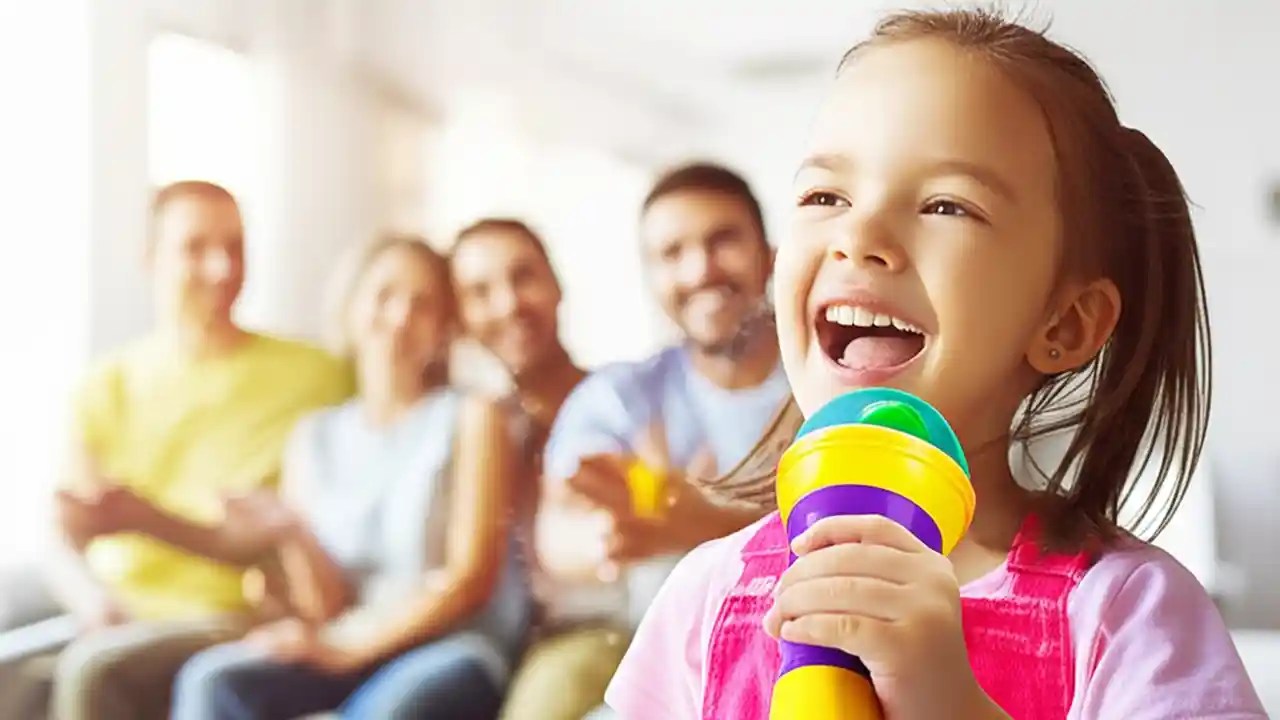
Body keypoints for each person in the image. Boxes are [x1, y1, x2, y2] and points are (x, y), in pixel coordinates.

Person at [606, 8, 1266, 720]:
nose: (858, 235)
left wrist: (952, 705)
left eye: (947, 205)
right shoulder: (705, 598)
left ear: (1065, 322)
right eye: (825, 196)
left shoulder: (1129, 614)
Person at [0, 181, 351, 720]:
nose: (222, 268)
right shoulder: (107, 383)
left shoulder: (316, 376)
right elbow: (65, 530)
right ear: (151, 259)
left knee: (95, 670)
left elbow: (304, 532)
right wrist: (94, 601)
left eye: (235, 247)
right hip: (123, 605)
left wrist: (145, 518)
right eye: (196, 248)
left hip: (231, 614)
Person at [171, 235, 530, 719]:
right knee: (212, 681)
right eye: (384, 296)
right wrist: (290, 533)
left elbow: (470, 579)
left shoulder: (472, 416)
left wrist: (350, 652)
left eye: (422, 304)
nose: (401, 317)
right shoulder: (314, 437)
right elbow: (326, 607)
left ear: (443, 327)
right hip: (345, 644)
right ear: (351, 308)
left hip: (448, 648)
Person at [505, 164, 793, 720]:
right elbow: (558, 528)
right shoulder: (623, 395)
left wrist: (707, 519)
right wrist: (609, 536)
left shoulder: (827, 377)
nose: (700, 270)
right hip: (651, 647)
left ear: (770, 254)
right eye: (672, 253)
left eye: (723, 240)